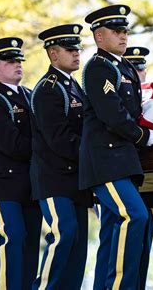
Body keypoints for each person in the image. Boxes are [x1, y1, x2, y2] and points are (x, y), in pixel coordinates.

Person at [81, 4, 153, 290]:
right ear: (99, 36)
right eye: (116, 31)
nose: (123, 36)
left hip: (123, 161)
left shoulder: (124, 67)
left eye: (125, 30)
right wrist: (142, 135)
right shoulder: (98, 67)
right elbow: (111, 113)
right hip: (106, 162)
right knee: (134, 216)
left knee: (113, 228)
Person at [0, 37, 42, 289]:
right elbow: (11, 144)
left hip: (30, 184)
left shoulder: (29, 94)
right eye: (10, 61)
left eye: (19, 61)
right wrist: (43, 149)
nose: (18, 65)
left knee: (32, 243)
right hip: (4, 185)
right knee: (14, 237)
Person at [30, 23, 93, 289]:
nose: (77, 54)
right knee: (63, 235)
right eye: (70, 50)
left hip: (75, 179)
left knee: (78, 245)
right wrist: (92, 154)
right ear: (53, 54)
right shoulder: (48, 88)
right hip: (54, 179)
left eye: (78, 49)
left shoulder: (74, 86)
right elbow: (58, 138)